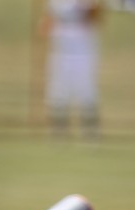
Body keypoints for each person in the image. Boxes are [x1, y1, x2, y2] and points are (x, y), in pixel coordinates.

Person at [43, 1, 104, 136]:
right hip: (60, 50)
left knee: (87, 91)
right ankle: (58, 132)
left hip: (83, 52)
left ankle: (90, 132)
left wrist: (86, 8)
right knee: (58, 91)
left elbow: (96, 17)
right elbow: (49, 20)